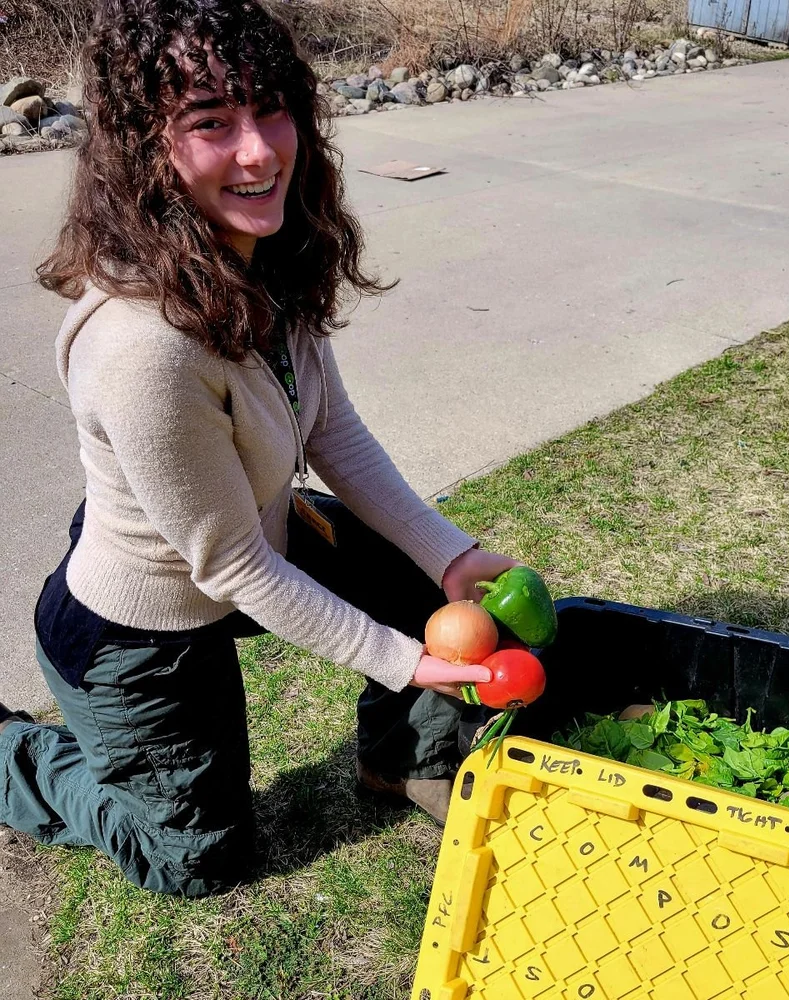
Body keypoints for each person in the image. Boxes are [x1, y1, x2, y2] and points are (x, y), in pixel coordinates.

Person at [0, 0, 513, 898]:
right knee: (196, 861)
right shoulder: (141, 346)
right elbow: (231, 566)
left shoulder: (266, 255)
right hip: (141, 622)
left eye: (270, 107)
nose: (259, 150)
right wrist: (402, 658)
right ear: (144, 147)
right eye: (210, 122)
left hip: (248, 533)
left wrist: (451, 554)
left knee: (415, 578)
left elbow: (330, 429)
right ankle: (18, 755)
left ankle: (406, 761)